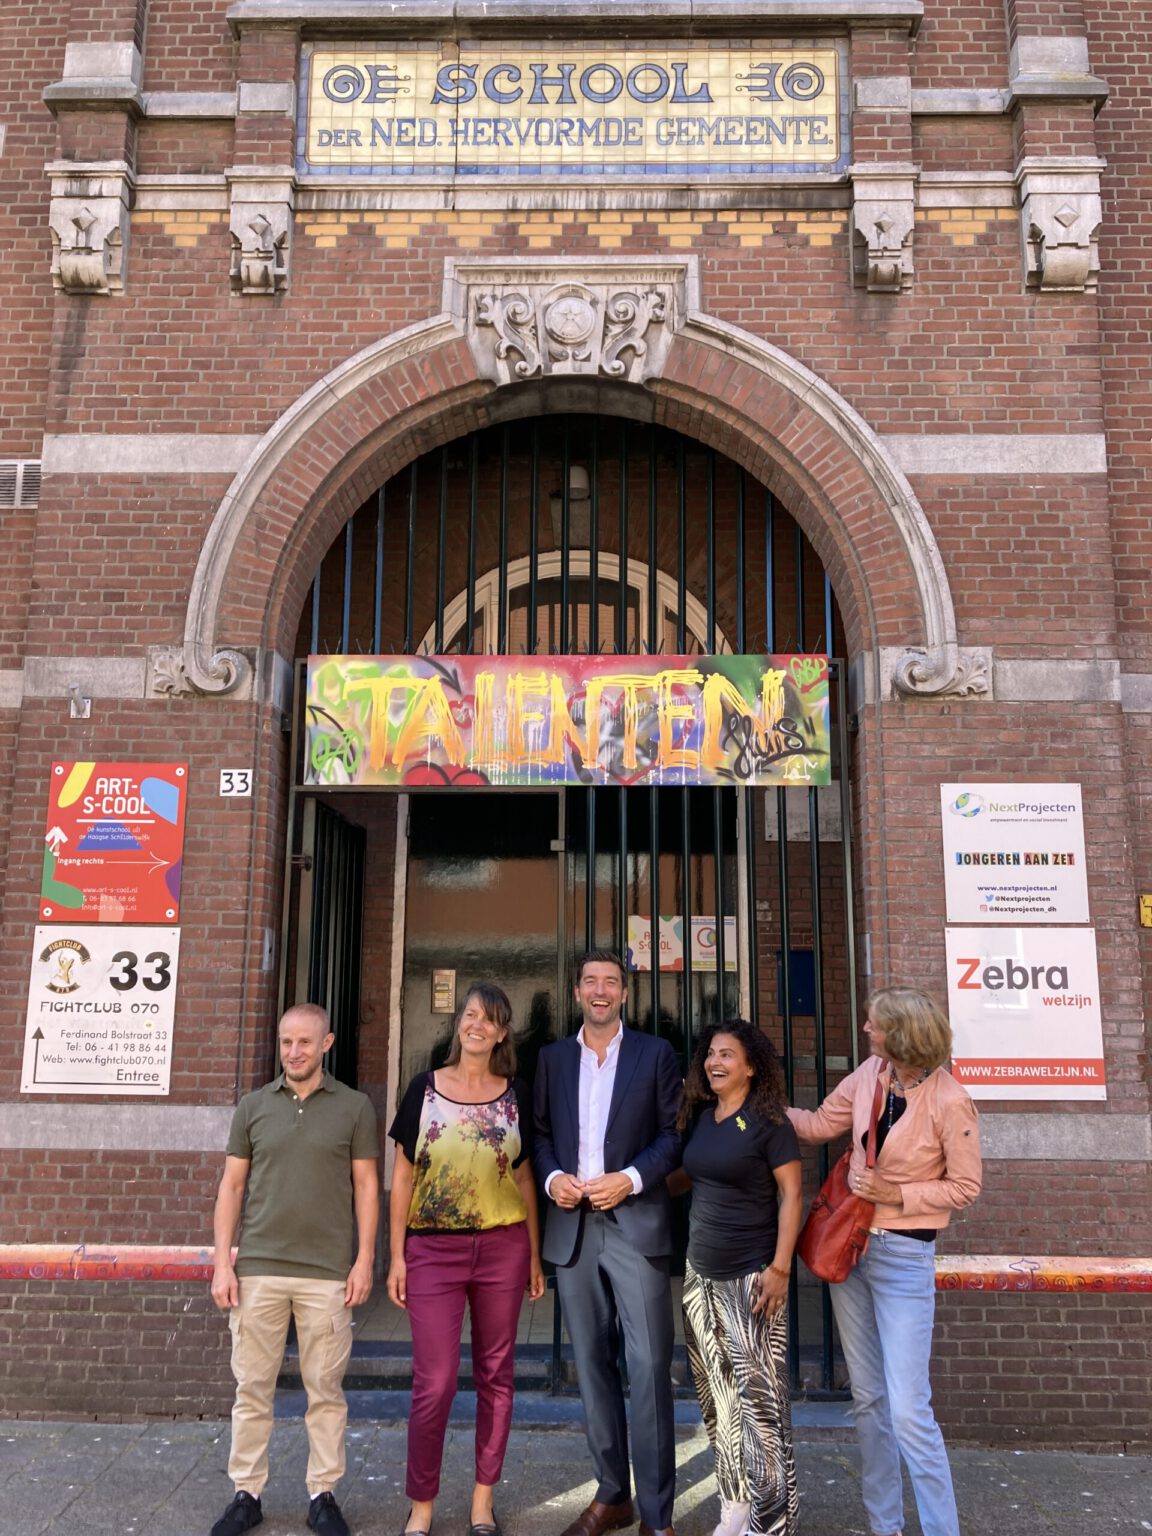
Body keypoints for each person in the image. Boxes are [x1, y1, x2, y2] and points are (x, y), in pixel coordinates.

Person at [788, 987, 982, 1536]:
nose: (866, 1031)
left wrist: (897, 1195)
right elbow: (819, 1125)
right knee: (869, 1399)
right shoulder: (870, 1075)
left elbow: (966, 1186)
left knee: (909, 1411)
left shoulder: (950, 1100)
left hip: (903, 1255)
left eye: (874, 1025)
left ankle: (942, 1529)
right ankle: (885, 1526)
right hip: (851, 1251)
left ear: (901, 1034)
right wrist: (753, 1099)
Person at [209, 1003, 379, 1536]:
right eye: (286, 1042)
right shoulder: (253, 1106)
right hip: (257, 1268)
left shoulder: (354, 1107)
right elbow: (232, 1188)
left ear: (327, 1044)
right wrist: (223, 1264)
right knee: (252, 1388)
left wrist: (364, 1259)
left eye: (305, 1042)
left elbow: (368, 1188)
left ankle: (322, 1493)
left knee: (324, 1390)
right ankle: (246, 1492)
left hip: (327, 1273)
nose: (294, 1052)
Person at [534, 950, 683, 1536]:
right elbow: (540, 1134)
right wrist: (551, 1179)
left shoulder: (654, 1054)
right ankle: (612, 1493)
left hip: (635, 1224)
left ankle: (657, 1514)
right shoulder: (551, 1058)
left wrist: (631, 1179)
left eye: (611, 983)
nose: (600, 991)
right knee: (592, 1366)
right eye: (590, 982)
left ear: (625, 994)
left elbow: (673, 1136)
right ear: (576, 993)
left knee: (647, 1367)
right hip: (572, 1231)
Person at [388, 983, 544, 1536]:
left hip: (503, 1248)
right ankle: (422, 1505)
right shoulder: (423, 1089)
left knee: (496, 1376)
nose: (477, 1024)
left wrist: (534, 1258)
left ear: (502, 1033)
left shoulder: (516, 1094)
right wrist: (397, 1256)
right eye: (470, 1014)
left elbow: (524, 1177)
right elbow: (403, 1175)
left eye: (490, 1019)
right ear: (460, 1023)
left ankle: (482, 1502)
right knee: (434, 1383)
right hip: (432, 1249)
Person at [674, 1021, 802, 1536]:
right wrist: (633, 1184)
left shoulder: (770, 1122)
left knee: (761, 1410)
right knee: (719, 1401)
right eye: (710, 1053)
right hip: (700, 1279)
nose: (715, 1062)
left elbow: (793, 1195)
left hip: (751, 1280)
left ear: (751, 1066)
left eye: (728, 1054)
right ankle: (736, 1507)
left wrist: (780, 1269)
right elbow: (691, 1174)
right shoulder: (705, 1117)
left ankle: (773, 1523)